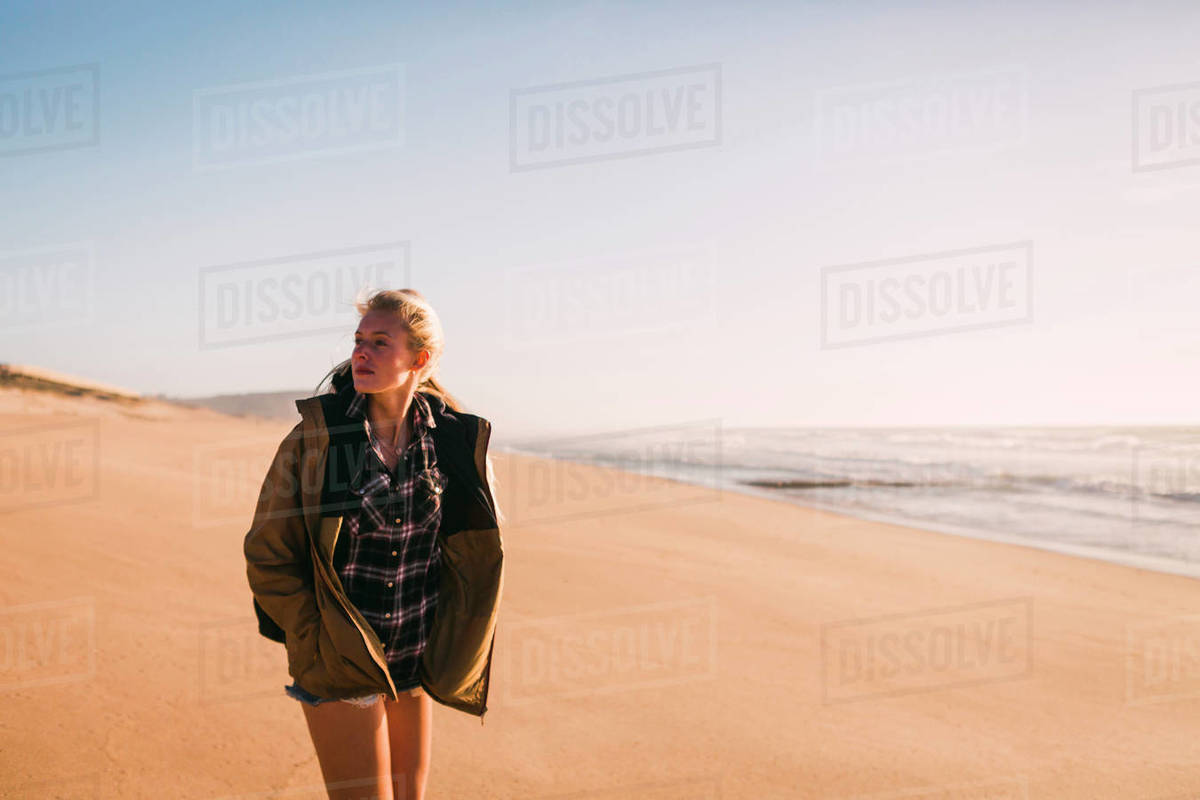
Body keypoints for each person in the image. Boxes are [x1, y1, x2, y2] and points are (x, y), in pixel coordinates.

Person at [244, 288, 505, 800]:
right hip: (340, 661)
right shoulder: (320, 439)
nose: (360, 352)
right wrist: (313, 633)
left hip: (412, 660)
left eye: (380, 342)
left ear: (419, 359)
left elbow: (471, 554)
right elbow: (268, 553)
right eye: (360, 340)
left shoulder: (449, 443)